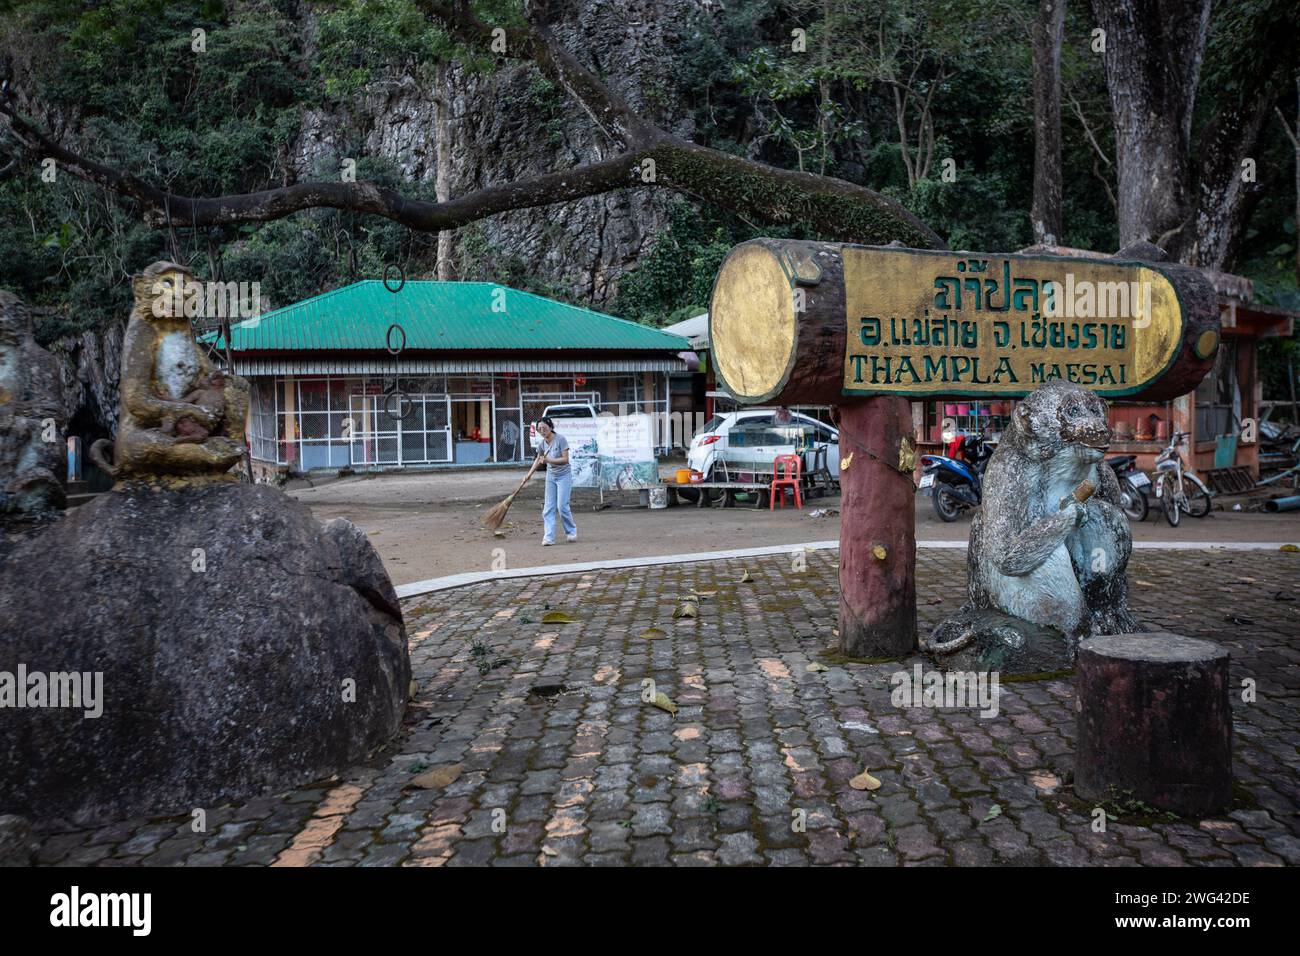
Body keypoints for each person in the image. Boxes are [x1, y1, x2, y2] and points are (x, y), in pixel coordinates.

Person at [534, 416, 577, 545]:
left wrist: (549, 461)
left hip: (564, 475)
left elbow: (565, 459)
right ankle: (549, 537)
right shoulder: (541, 444)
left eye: (544, 428)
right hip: (551, 476)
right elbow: (538, 459)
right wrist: (528, 474)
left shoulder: (561, 439)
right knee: (548, 507)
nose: (542, 431)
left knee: (562, 506)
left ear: (551, 427)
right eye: (540, 429)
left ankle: (571, 532)